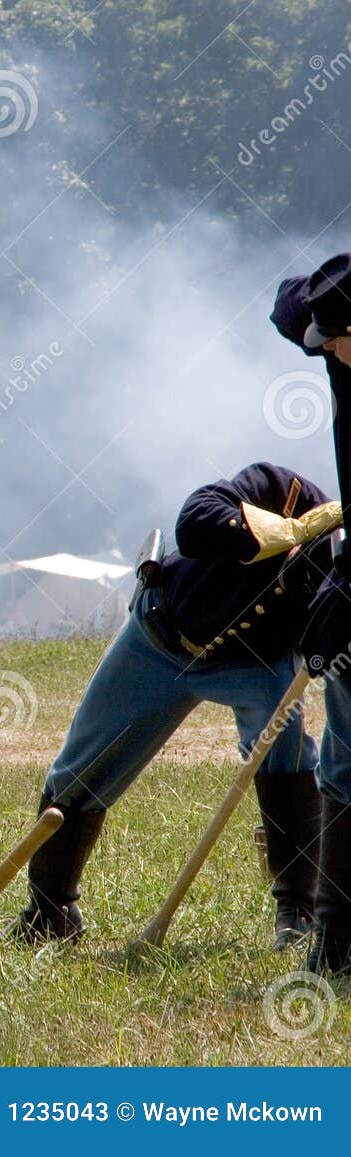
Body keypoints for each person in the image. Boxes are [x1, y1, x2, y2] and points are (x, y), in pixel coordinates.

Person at [12, 463, 336, 948]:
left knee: (287, 755)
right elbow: (195, 518)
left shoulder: (337, 566)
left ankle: (297, 911)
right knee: (81, 767)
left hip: (254, 666)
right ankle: (50, 910)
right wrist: (278, 533)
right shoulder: (278, 488)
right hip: (159, 638)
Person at [274, 257, 351, 973]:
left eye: (339, 339)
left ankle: (336, 944)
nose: (329, 353)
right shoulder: (332, 336)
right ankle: (337, 941)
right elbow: (288, 305)